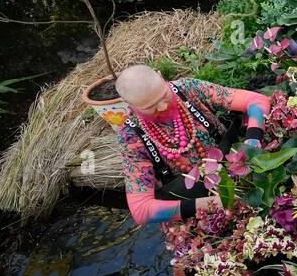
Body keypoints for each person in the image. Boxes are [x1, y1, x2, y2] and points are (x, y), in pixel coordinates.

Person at [113, 64, 271, 225]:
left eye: (164, 96)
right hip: (199, 210)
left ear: (161, 77)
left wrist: (252, 141)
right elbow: (142, 211)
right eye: (150, 107)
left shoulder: (187, 89)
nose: (163, 106)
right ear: (128, 104)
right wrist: (214, 204)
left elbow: (256, 100)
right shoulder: (131, 137)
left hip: (240, 171)